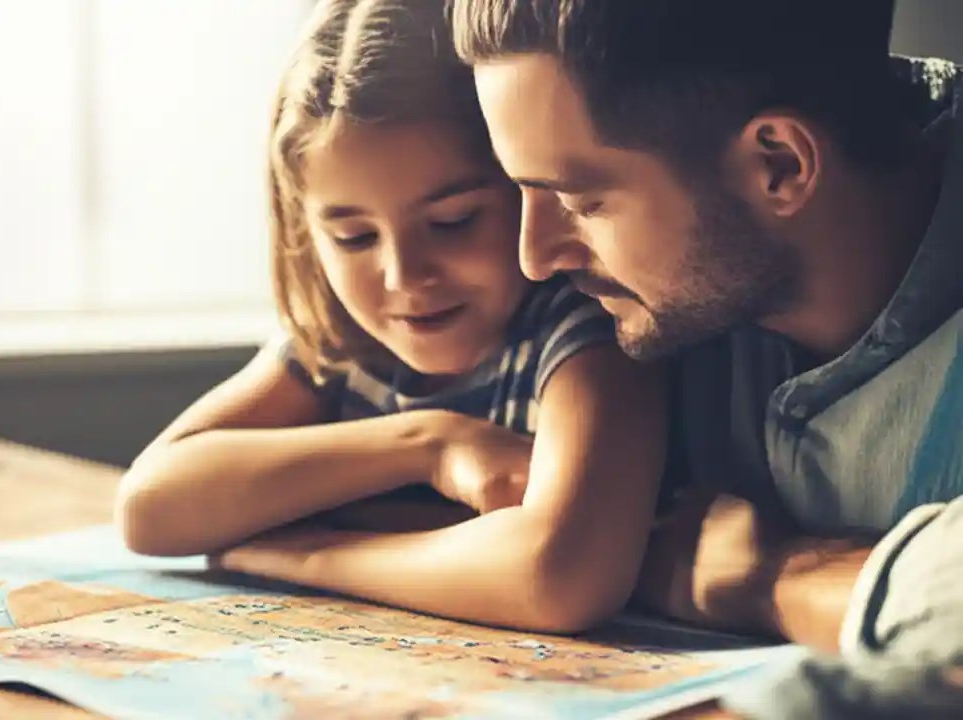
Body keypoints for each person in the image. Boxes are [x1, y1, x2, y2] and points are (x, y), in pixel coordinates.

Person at [451, 0, 963, 715]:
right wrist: (425, 444)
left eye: (582, 201)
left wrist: (773, 577)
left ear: (778, 164)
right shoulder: (659, 301)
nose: (534, 257)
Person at [114, 0, 671, 634]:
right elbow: (149, 506)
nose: (405, 277)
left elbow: (559, 579)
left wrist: (303, 552)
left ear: (527, 182)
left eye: (453, 222)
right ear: (305, 232)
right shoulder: (342, 345)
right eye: (353, 237)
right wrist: (430, 445)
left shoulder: (587, 327)